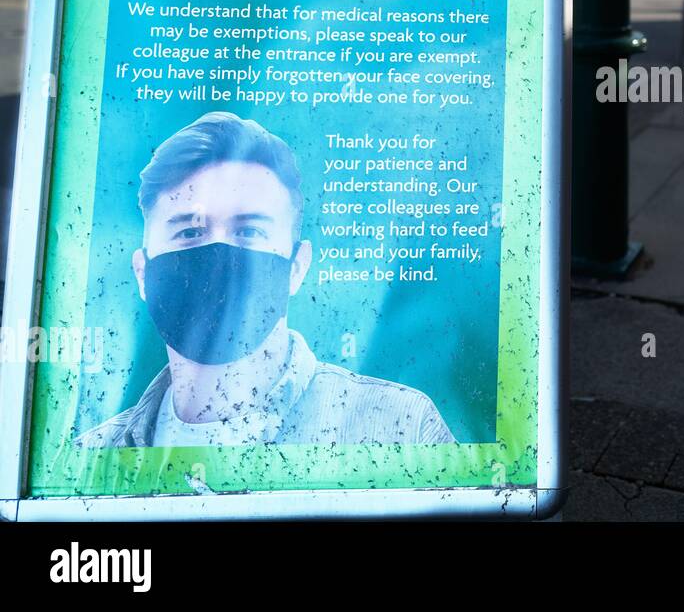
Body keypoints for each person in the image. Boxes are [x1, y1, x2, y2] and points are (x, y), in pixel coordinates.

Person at [77, 111, 456, 448]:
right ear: (143, 273)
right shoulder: (93, 456)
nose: (220, 259)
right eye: (190, 233)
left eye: (249, 232)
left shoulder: (398, 428)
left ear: (297, 266)